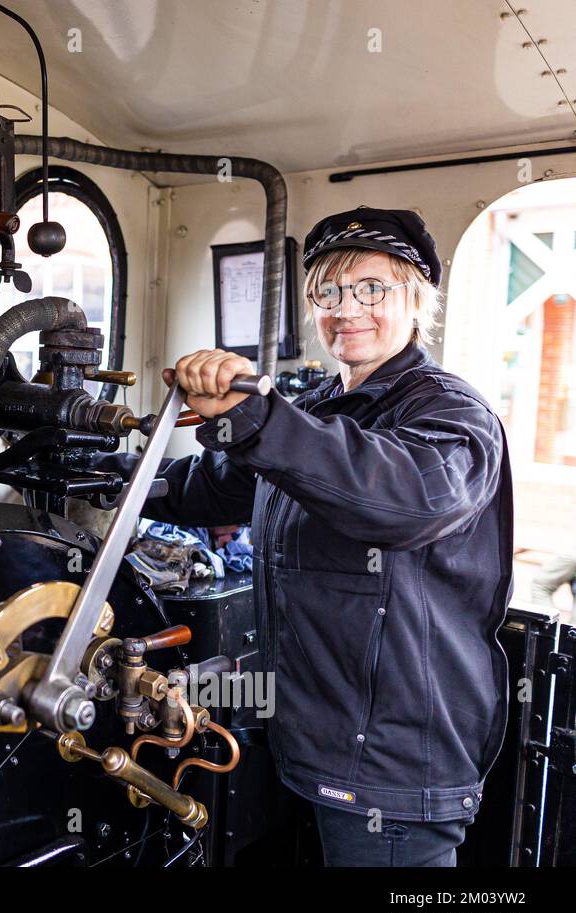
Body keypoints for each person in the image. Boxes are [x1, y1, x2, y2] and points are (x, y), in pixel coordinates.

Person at [144, 207, 513, 866]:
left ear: (416, 301)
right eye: (328, 292)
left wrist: (255, 419)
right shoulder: (315, 407)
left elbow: (402, 499)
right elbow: (212, 487)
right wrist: (99, 469)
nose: (348, 308)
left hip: (394, 768)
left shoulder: (452, 414)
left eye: (373, 289)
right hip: (317, 742)